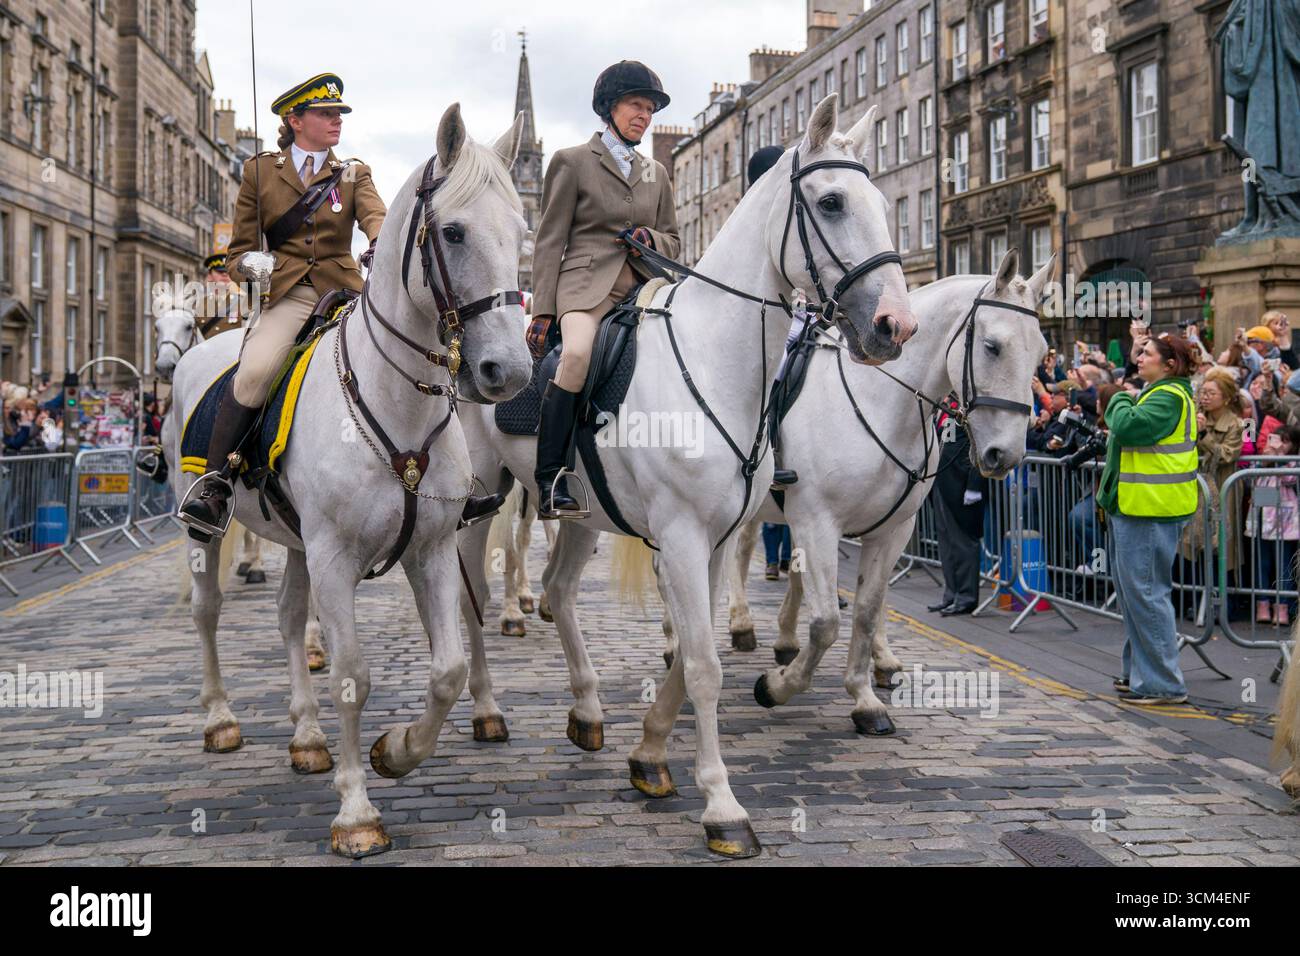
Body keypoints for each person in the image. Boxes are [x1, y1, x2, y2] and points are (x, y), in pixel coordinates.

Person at [527, 61, 681, 517]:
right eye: (637, 105)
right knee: (575, 355)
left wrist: (651, 240)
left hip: (645, 289)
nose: (645, 115)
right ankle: (551, 477)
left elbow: (673, 238)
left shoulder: (656, 172)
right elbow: (549, 239)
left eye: (650, 109)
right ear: (610, 107)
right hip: (585, 287)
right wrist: (543, 309)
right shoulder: (572, 161)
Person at [1098, 333, 1198, 705]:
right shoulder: (1161, 393)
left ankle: (1162, 683)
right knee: (1135, 598)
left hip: (1150, 509)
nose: (1139, 359)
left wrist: (1118, 396)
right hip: (1138, 507)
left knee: (1147, 597)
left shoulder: (1168, 397)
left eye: (1147, 354)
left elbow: (1126, 427)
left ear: (1169, 364)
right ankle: (1138, 674)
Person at [928, 405, 987, 617]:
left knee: (963, 543)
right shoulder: (945, 409)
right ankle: (951, 593)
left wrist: (974, 486)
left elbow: (978, 447)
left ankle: (966, 597)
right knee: (947, 543)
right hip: (942, 483)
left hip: (961, 485)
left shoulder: (969, 410)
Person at [1244, 424, 1300, 625]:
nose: (1278, 444)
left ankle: (1282, 607)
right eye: (1275, 439)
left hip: (1284, 522)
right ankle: (1263, 603)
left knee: (1283, 564)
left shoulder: (1292, 463)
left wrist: (1277, 458)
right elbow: (1248, 477)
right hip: (1261, 518)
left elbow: (1290, 478)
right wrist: (1265, 459)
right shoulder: (1262, 459)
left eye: (1284, 441)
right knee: (1262, 562)